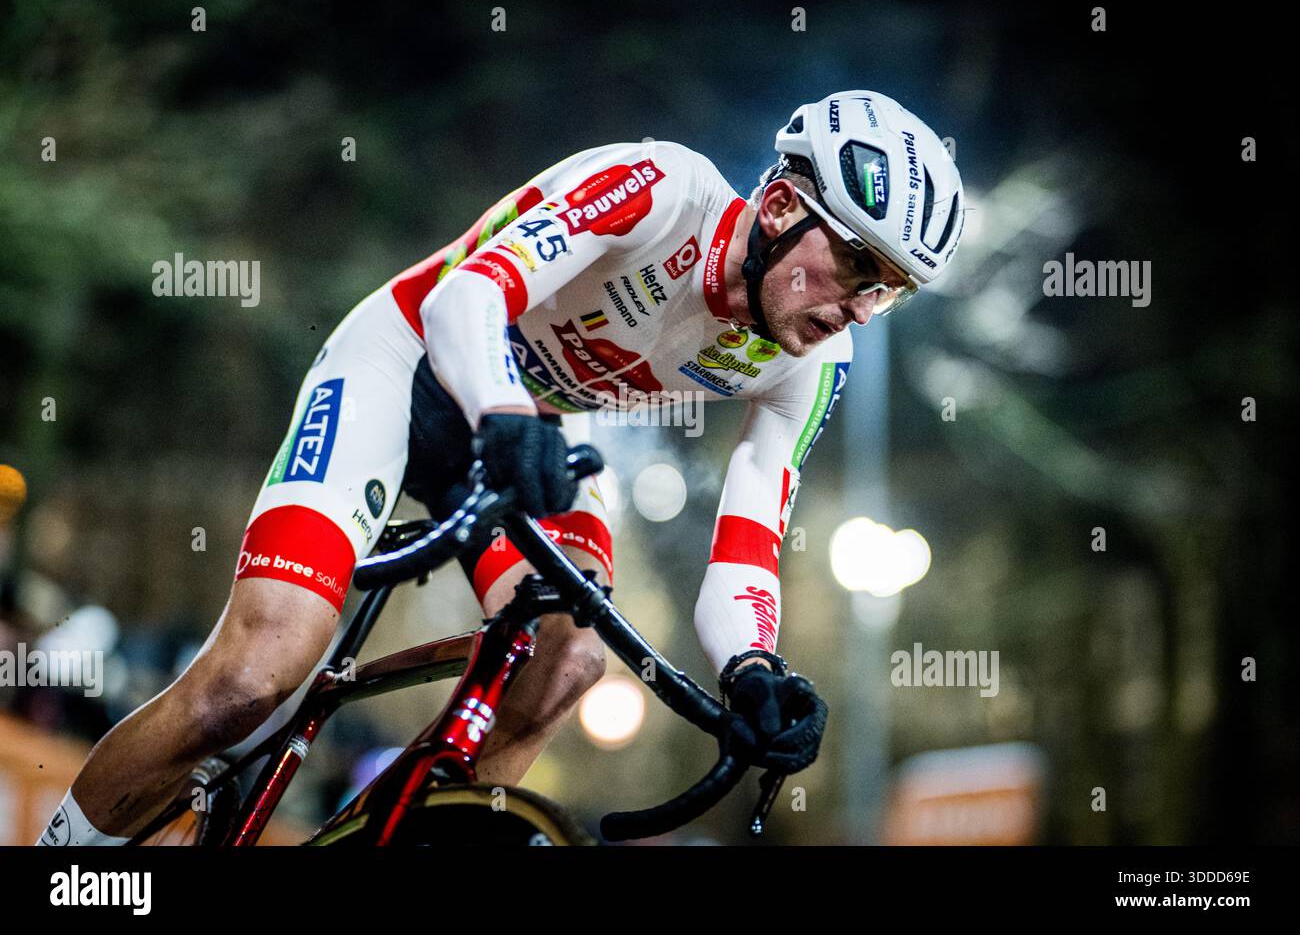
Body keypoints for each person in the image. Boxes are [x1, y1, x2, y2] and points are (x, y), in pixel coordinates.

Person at [37, 89, 964, 845]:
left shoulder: (812, 360)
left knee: (564, 666)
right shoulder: (657, 189)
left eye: (888, 289)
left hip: (531, 420)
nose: (859, 306)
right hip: (410, 363)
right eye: (851, 263)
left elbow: (751, 533)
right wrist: (505, 412)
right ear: (777, 207)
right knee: (251, 679)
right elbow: (467, 296)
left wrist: (754, 667)